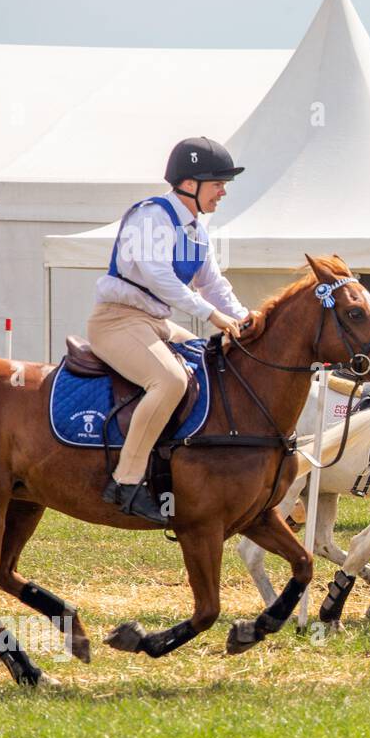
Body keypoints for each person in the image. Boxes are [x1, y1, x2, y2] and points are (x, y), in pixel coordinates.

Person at [89, 136, 248, 524]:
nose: (224, 192)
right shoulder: (151, 217)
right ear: (189, 184)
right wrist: (212, 316)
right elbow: (159, 278)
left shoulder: (196, 229)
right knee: (170, 381)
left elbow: (213, 283)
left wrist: (244, 319)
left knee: (212, 364)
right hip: (117, 320)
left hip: (155, 323)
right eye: (218, 184)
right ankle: (125, 482)